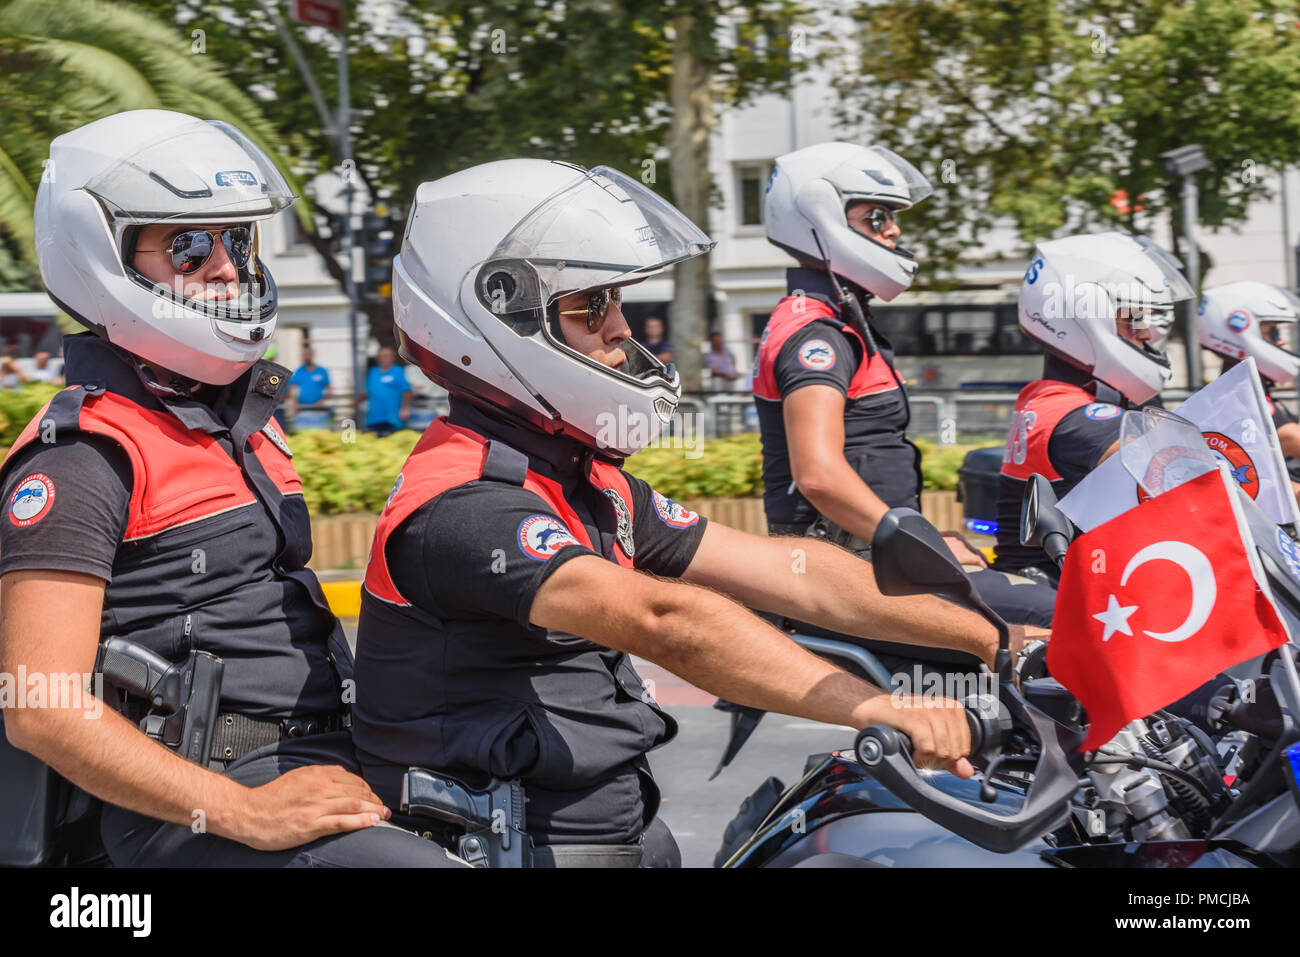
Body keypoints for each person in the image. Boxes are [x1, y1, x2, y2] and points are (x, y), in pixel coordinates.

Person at [351, 158, 1029, 868]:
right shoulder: (462, 505)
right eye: (592, 305)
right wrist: (876, 708)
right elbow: (665, 621)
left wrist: (993, 638)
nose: (622, 325)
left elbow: (797, 574)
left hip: (619, 840)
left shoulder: (589, 480)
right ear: (499, 316)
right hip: (512, 851)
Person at [0, 109, 463, 868]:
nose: (226, 268)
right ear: (99, 254)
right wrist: (242, 810)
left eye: (236, 241)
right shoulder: (80, 457)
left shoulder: (237, 424)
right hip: (193, 806)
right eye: (187, 245)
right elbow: (41, 707)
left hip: (319, 760)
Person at [752, 141, 1057, 646]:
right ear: (821, 214)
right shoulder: (817, 336)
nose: (893, 231)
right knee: (1067, 614)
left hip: (868, 562)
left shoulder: (838, 319)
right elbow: (819, 476)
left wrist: (927, 539)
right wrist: (923, 552)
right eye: (877, 217)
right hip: (845, 574)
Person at [991, 231, 1193, 584]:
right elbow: (1183, 471)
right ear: (1082, 315)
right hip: (1059, 597)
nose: (1147, 333)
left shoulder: (1050, 396)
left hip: (1077, 585)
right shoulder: (1072, 415)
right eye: (1134, 317)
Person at [1197, 281, 1300, 495]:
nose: (1280, 341)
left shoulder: (1250, 381)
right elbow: (1289, 437)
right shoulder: (1238, 389)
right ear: (1240, 327)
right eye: (1272, 332)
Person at [359, 345, 411, 436]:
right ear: (377, 358)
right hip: (375, 416)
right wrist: (355, 403)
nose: (384, 358)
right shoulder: (373, 371)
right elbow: (367, 391)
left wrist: (405, 409)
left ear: (393, 358)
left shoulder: (398, 371)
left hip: (393, 416)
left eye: (387, 356)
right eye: (382, 356)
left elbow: (406, 391)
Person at [288, 342, 332, 426]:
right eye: (305, 354)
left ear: (313, 355)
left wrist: (321, 402)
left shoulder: (322, 371)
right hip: (302, 411)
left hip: (318, 411)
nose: (307, 356)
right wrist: (295, 403)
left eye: (309, 354)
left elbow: (329, 390)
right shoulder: (299, 371)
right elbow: (292, 389)